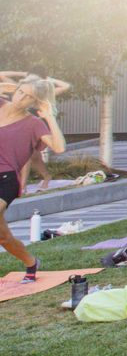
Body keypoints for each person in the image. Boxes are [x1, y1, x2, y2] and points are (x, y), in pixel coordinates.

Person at [0, 78, 65, 280]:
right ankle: (31, 262)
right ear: (15, 89)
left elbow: (59, 147)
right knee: (3, 237)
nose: (22, 98)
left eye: (29, 97)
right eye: (21, 92)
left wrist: (49, 116)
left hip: (6, 180)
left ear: (35, 102)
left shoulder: (33, 124)